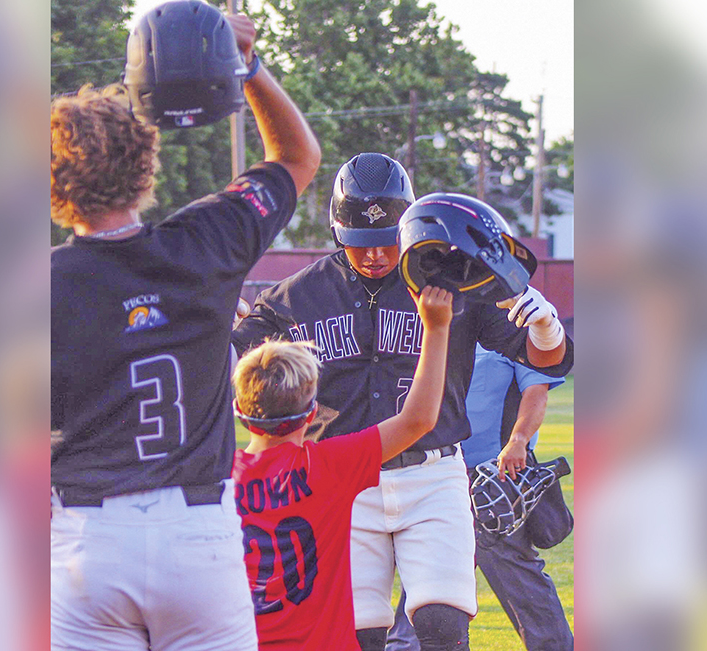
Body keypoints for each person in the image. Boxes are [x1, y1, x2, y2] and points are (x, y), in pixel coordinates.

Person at [49, 2, 321, 649]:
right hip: (196, 533)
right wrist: (246, 65)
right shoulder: (206, 241)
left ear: (55, 183)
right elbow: (298, 156)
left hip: (88, 540)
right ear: (146, 165)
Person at [232, 155, 573, 651]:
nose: (373, 256)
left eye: (386, 241)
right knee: (358, 635)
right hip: (340, 482)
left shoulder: (453, 280)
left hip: (432, 473)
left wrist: (546, 325)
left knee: (442, 625)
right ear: (337, 232)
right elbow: (232, 364)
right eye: (358, 244)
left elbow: (547, 359)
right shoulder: (296, 297)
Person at [232, 286, 453, 650]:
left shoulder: (221, 480)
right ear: (313, 413)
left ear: (240, 413)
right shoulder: (328, 466)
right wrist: (437, 327)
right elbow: (419, 420)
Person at [386, 343, 573, 651]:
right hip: (442, 474)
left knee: (518, 579)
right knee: (430, 573)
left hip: (497, 484)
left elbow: (536, 393)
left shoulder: (514, 333)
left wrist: (519, 441)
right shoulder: (446, 330)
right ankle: (401, 646)